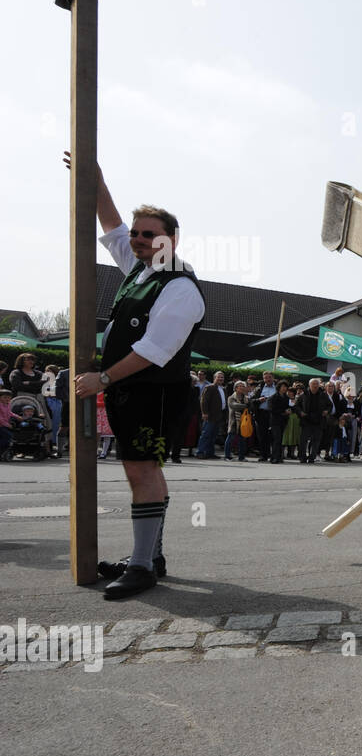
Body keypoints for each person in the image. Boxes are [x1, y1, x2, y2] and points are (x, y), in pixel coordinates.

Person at [68, 155, 205, 599]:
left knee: (142, 471)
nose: (140, 239)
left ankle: (144, 565)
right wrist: (97, 182)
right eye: (138, 232)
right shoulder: (140, 268)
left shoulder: (180, 285)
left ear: (171, 239)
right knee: (139, 471)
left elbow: (154, 350)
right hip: (134, 392)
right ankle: (150, 557)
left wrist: (102, 379)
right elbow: (110, 226)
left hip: (155, 393)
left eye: (150, 233)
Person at [297, 377, 331, 463]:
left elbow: (329, 405)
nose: (315, 386)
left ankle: (312, 457)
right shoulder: (304, 394)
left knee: (316, 440)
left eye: (317, 384)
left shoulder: (323, 394)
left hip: (319, 420)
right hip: (306, 420)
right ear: (309, 385)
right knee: (303, 440)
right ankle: (303, 457)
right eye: (313, 384)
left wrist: (327, 411)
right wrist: (300, 412)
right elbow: (297, 406)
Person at [196, 369, 226, 458]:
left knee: (213, 436)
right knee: (206, 434)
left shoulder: (223, 388)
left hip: (219, 415)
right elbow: (203, 401)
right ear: (214, 378)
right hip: (210, 416)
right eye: (219, 377)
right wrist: (204, 413)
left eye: (222, 377)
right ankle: (200, 452)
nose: (221, 379)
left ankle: (210, 453)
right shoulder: (209, 387)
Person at [224, 381, 251, 461]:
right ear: (235, 388)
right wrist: (245, 406)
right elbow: (234, 406)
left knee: (242, 440)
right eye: (240, 386)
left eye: (243, 386)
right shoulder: (231, 398)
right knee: (230, 438)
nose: (242, 388)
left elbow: (251, 406)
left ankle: (241, 457)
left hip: (243, 422)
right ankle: (227, 456)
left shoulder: (246, 398)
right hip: (234, 421)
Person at [268, 380, 291, 463]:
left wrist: (289, 410)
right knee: (276, 439)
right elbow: (271, 409)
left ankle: (279, 456)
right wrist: (283, 412)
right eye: (283, 387)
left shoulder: (286, 397)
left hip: (283, 421)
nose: (284, 388)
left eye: (286, 387)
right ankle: (274, 457)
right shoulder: (273, 397)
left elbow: (288, 407)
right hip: (275, 421)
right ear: (279, 388)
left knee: (281, 439)